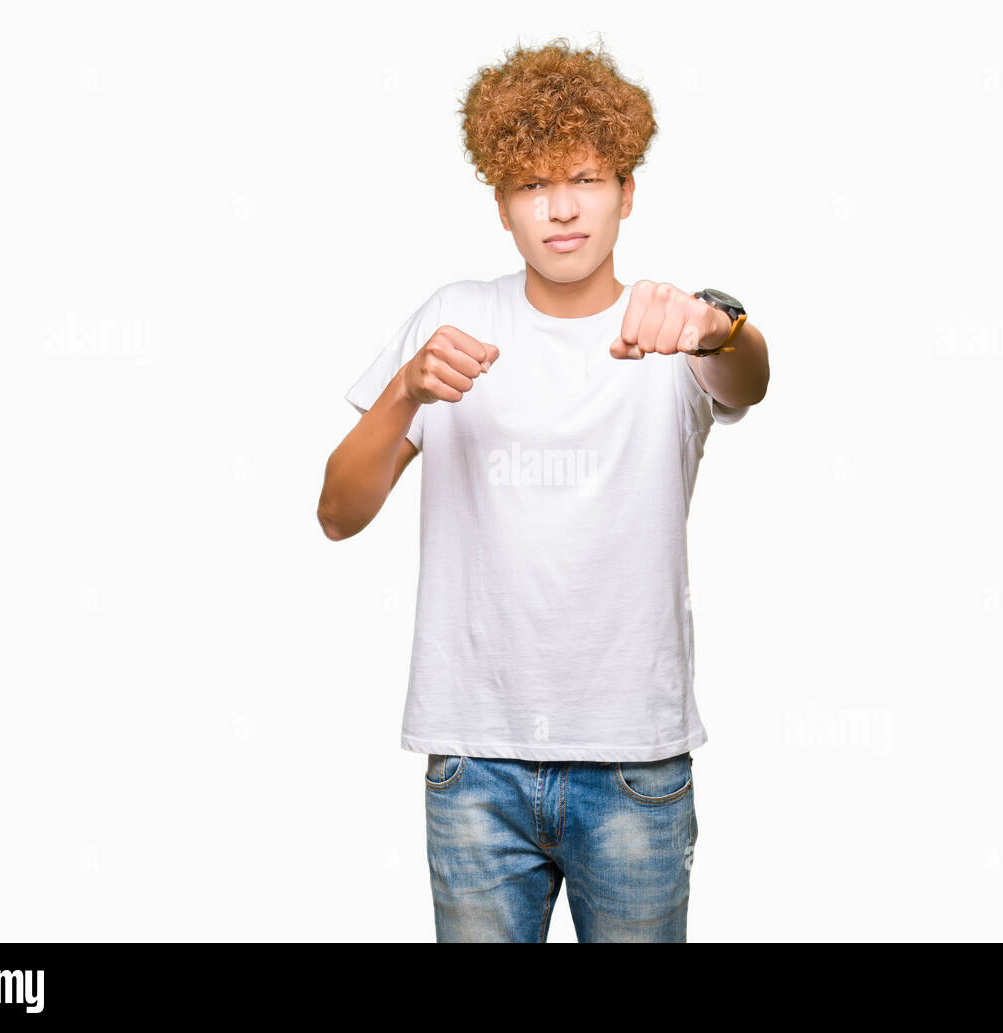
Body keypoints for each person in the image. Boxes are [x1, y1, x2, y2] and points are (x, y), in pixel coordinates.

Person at [316, 36, 769, 942]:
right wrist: (405, 389)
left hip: (635, 764)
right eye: (532, 184)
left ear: (627, 191)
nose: (561, 207)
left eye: (586, 178)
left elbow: (749, 378)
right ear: (501, 203)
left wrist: (718, 325)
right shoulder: (453, 317)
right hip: (475, 766)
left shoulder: (673, 325)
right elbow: (337, 513)